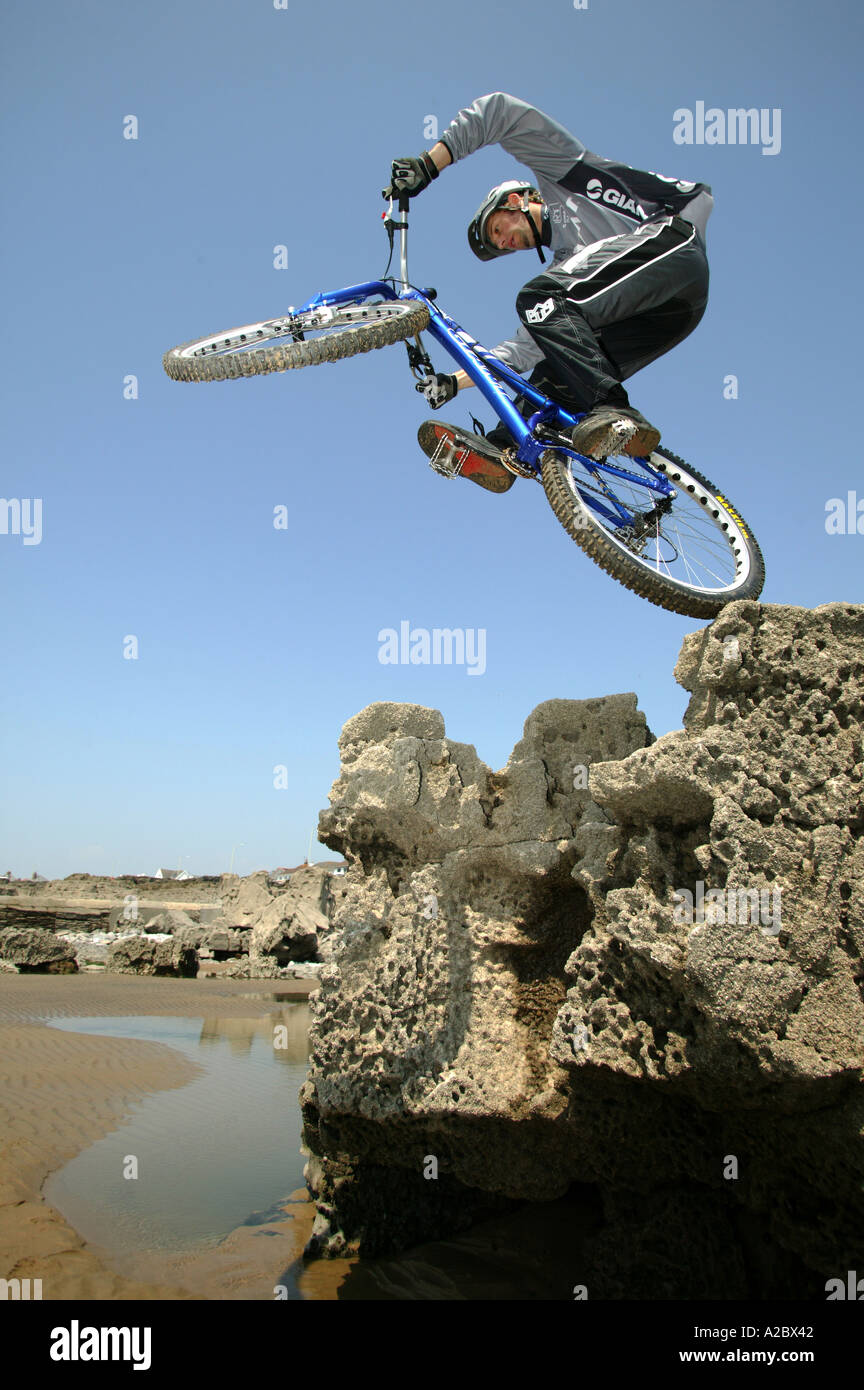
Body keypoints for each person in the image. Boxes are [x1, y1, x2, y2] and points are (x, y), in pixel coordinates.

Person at [389, 93, 712, 489]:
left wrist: (430, 162)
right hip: (667, 316)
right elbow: (521, 352)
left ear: (514, 202)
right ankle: (501, 450)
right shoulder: (566, 268)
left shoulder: (565, 174)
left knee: (539, 298)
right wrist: (456, 381)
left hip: (675, 249)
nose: (504, 244)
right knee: (550, 365)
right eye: (497, 247)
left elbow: (500, 112)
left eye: (497, 231)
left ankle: (614, 410)